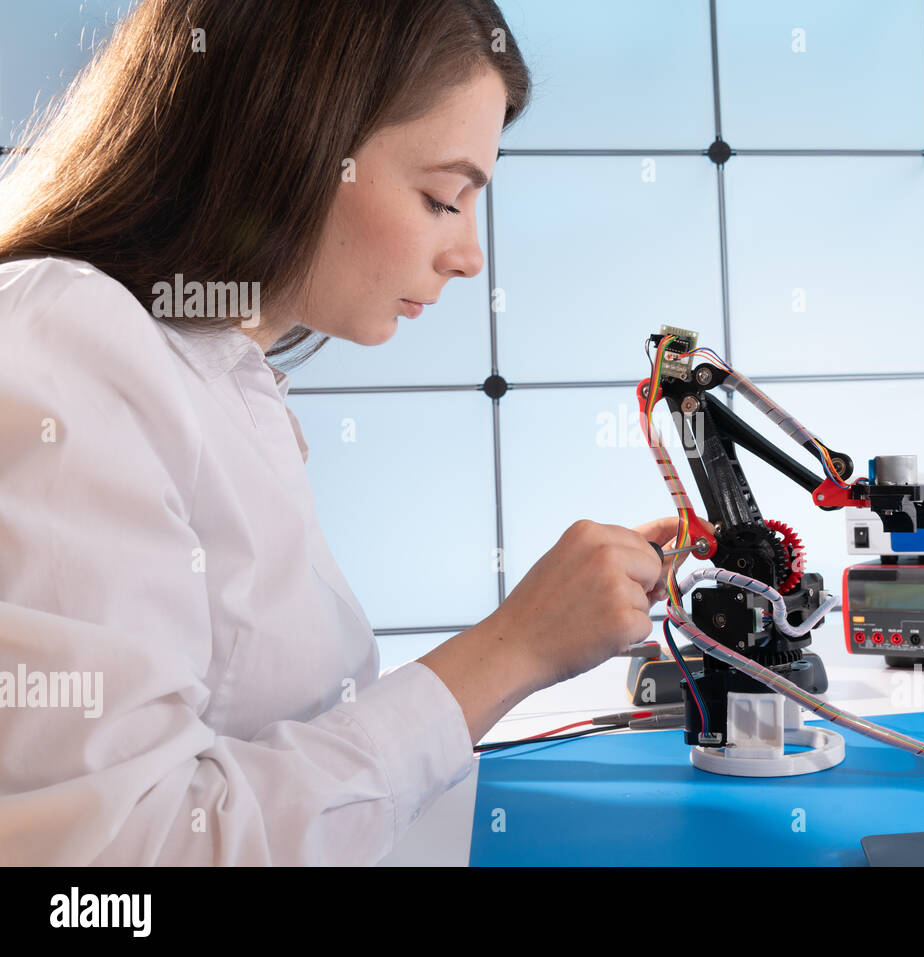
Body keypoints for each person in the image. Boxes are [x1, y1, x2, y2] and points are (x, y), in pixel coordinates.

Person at [0, 0, 695, 864]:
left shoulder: (223, 380)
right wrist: (515, 648)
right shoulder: (64, 336)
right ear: (289, 135)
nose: (469, 255)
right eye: (444, 197)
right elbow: (114, 864)